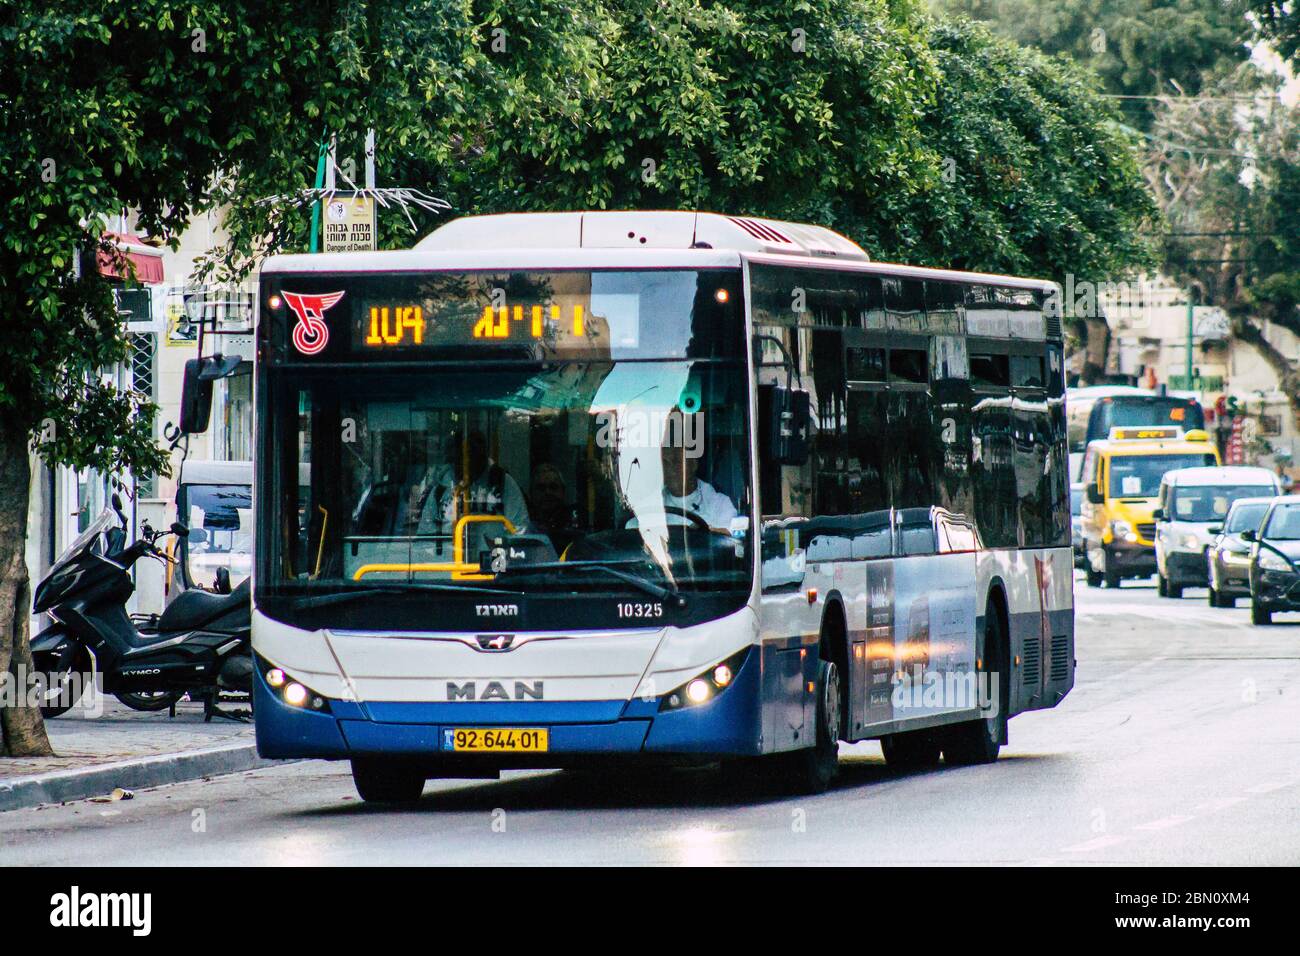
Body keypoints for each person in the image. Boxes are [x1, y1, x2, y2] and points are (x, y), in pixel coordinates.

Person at [407, 431, 530, 556]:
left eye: (472, 454)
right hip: (447, 567)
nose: (467, 462)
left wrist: (504, 564)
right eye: (462, 455)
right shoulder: (440, 487)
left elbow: (519, 529)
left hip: (491, 566)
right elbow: (425, 534)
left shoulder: (502, 483)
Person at [628, 410, 738, 531]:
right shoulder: (651, 505)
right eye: (665, 462)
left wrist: (706, 534)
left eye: (676, 461)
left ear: (693, 464)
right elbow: (632, 529)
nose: (670, 469)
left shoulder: (719, 505)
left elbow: (730, 540)